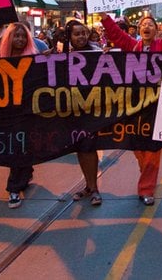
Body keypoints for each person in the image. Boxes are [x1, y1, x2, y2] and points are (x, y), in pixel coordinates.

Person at [99, 0, 162, 205]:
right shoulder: (131, 45)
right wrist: (101, 13)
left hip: (155, 106)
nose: (147, 27)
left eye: (150, 25)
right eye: (144, 24)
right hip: (134, 106)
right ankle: (146, 174)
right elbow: (113, 32)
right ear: (138, 29)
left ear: (156, 30)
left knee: (152, 149)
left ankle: (146, 189)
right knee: (138, 147)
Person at [0, 22, 47, 208]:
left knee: (21, 145)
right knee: (16, 147)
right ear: (9, 38)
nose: (20, 39)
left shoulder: (34, 57)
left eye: (23, 36)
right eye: (16, 36)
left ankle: (14, 188)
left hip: (28, 110)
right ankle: (22, 176)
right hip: (7, 110)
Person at [63, 20, 104, 207]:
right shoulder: (63, 55)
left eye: (83, 33)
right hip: (73, 108)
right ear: (69, 37)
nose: (81, 37)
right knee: (80, 147)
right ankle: (88, 185)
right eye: (76, 34)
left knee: (89, 146)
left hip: (91, 107)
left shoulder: (96, 52)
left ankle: (94, 188)